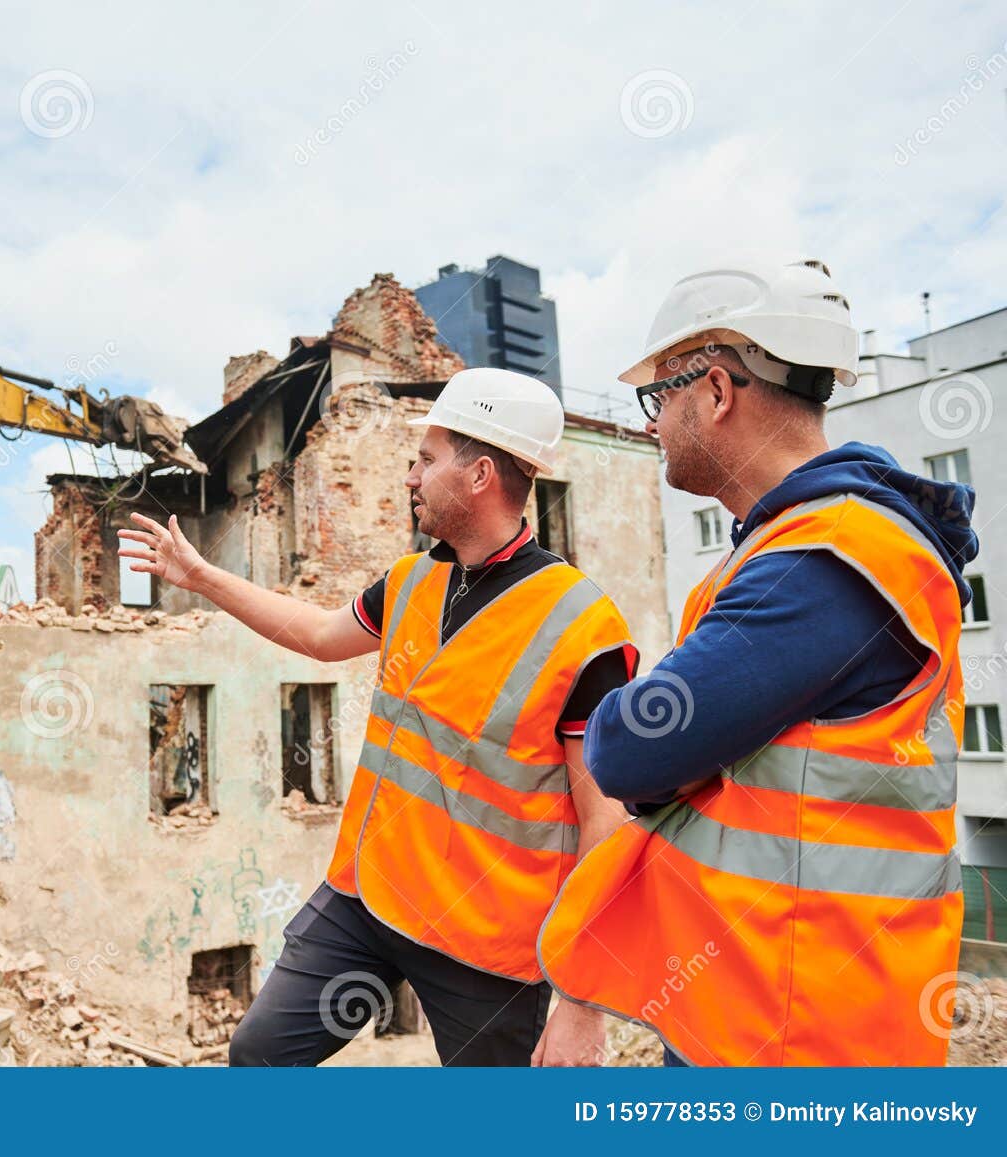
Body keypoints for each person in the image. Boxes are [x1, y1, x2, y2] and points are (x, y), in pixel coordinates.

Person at [119, 367, 639, 1066]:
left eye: (425, 459)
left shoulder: (583, 625)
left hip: (485, 944)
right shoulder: (411, 581)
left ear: (480, 472)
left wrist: (583, 996)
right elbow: (318, 635)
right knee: (259, 1056)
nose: (410, 476)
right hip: (369, 897)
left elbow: (607, 823)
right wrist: (201, 576)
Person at [538, 257, 978, 1066]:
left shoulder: (826, 560)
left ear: (714, 392)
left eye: (657, 399)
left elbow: (627, 746)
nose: (649, 425)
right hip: (776, 999)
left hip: (804, 1030)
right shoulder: (795, 549)